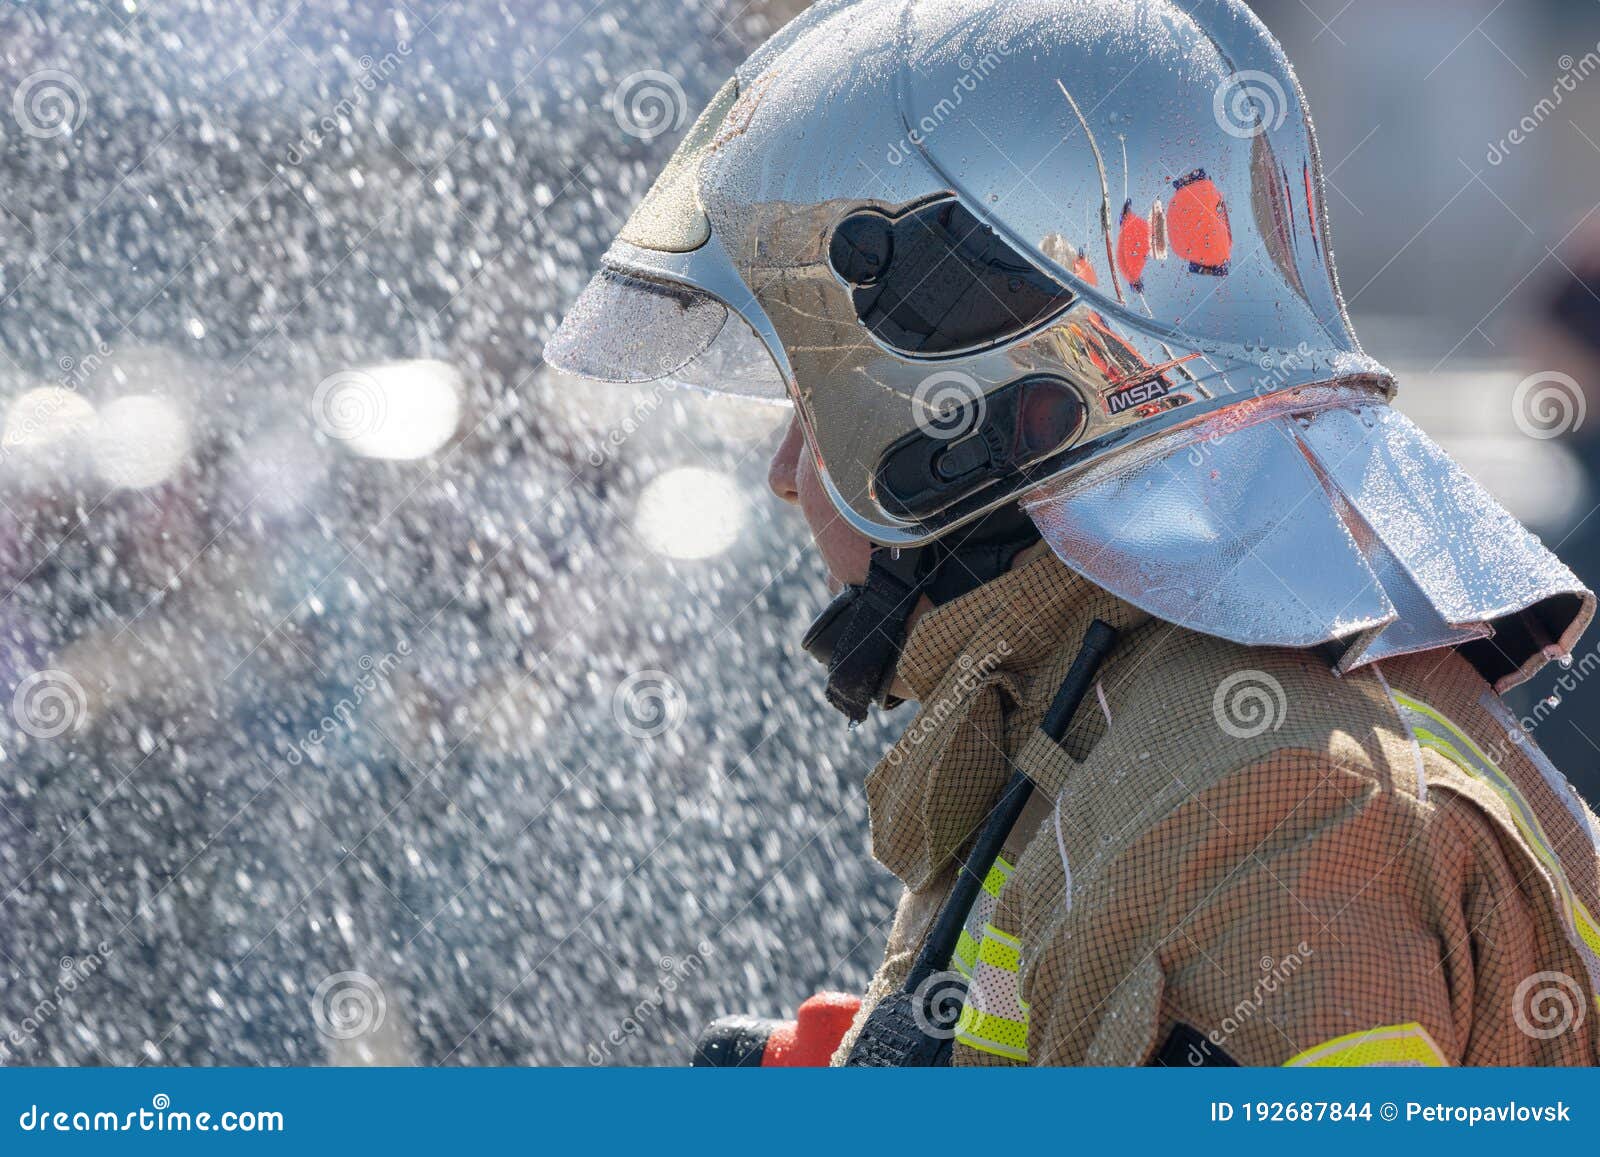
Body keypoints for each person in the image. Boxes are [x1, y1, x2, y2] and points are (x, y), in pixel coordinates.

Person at [548, 0, 1600, 1066]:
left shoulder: (1260, 807)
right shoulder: (1098, 714)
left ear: (947, 434)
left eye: (813, 409)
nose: (783, 473)